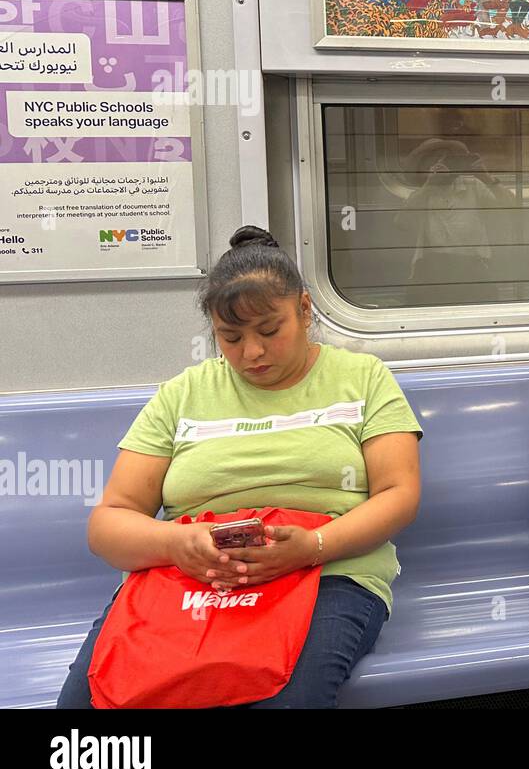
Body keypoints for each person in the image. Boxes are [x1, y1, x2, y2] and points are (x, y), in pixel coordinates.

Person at [57, 226, 423, 708]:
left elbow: (399, 493)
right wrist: (175, 544)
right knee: (93, 704)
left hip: (328, 571)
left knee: (287, 700)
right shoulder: (182, 394)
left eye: (270, 331)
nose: (251, 353)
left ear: (306, 310)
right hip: (190, 577)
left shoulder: (363, 378)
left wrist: (313, 546)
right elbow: (109, 523)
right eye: (230, 337)